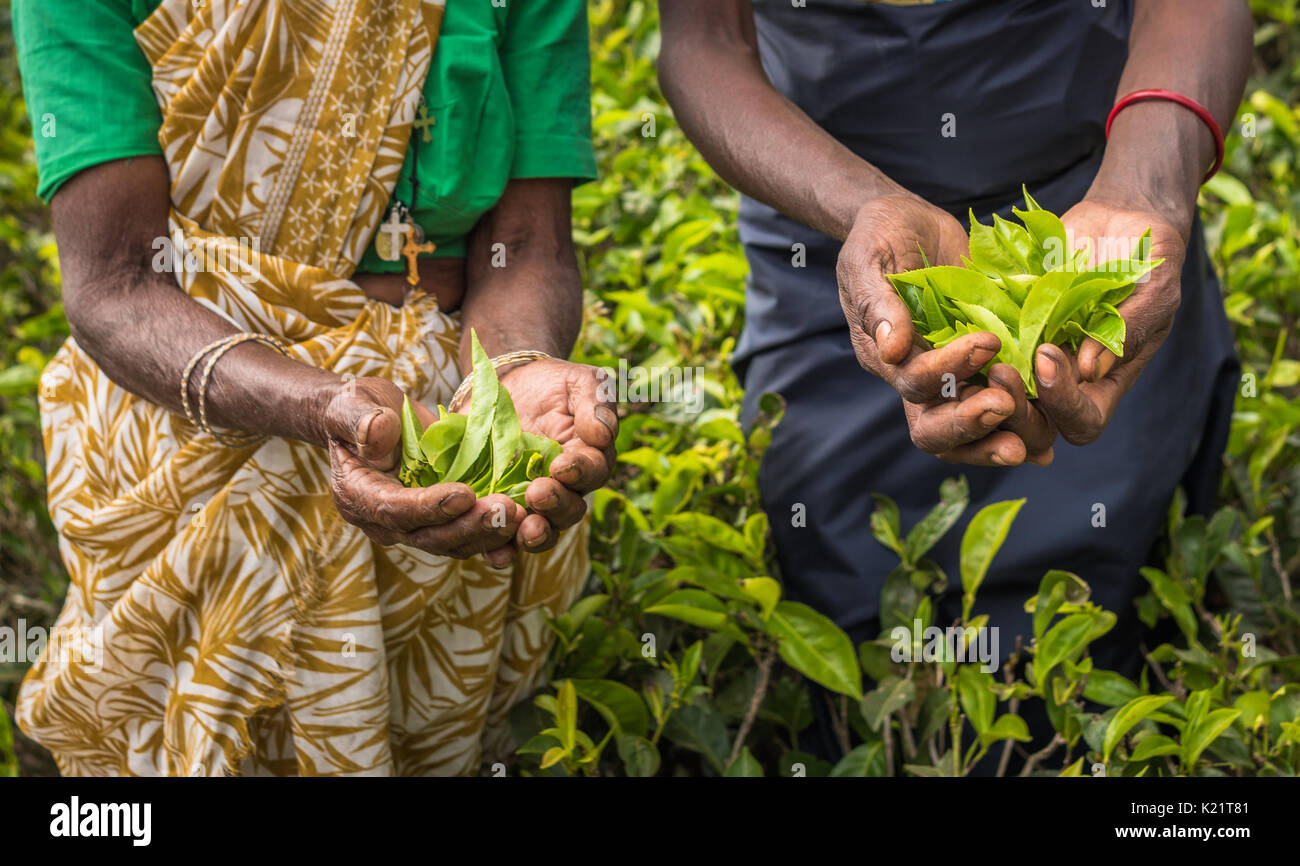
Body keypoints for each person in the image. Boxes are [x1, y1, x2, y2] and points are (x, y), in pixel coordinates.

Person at [13, 0, 616, 776]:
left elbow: (527, 248)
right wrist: (322, 404)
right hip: (192, 419)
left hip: (446, 416)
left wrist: (518, 373)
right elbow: (117, 283)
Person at [658, 0, 1251, 760]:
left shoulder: (1122, 197)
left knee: (1111, 589)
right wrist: (865, 204)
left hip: (1095, 204)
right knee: (855, 594)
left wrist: (1147, 188)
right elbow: (703, 41)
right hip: (834, 223)